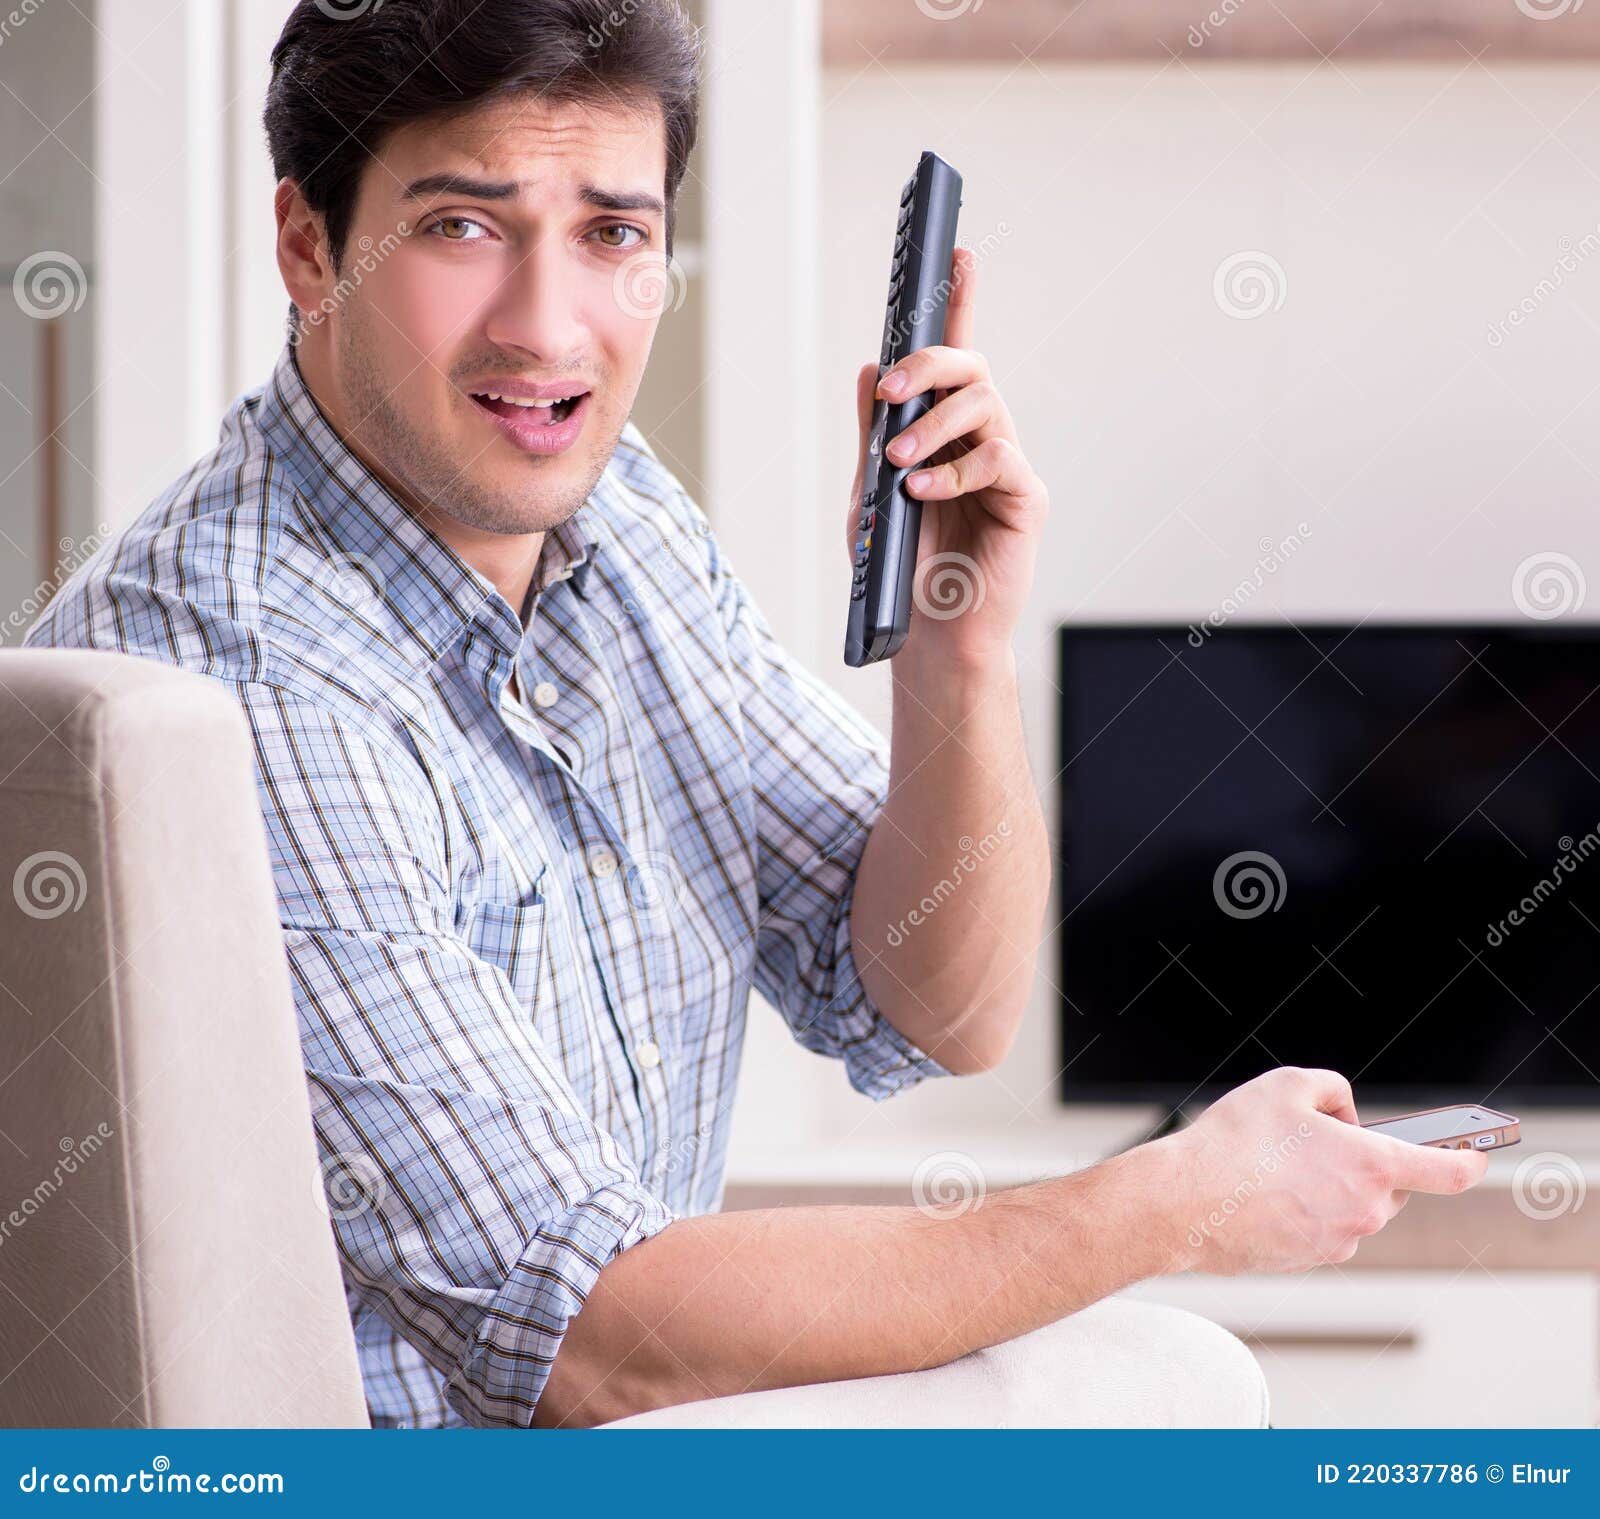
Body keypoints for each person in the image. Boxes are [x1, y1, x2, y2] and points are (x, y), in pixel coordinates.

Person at [24, 0, 1487, 1429]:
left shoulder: (619, 519)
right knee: (1165, 1377)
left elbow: (934, 1006)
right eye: (462, 226)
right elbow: (593, 1339)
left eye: (612, 235)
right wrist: (1169, 1202)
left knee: (1153, 1378)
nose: (548, 328)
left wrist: (955, 655)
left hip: (610, 1419)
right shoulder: (245, 673)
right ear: (310, 247)